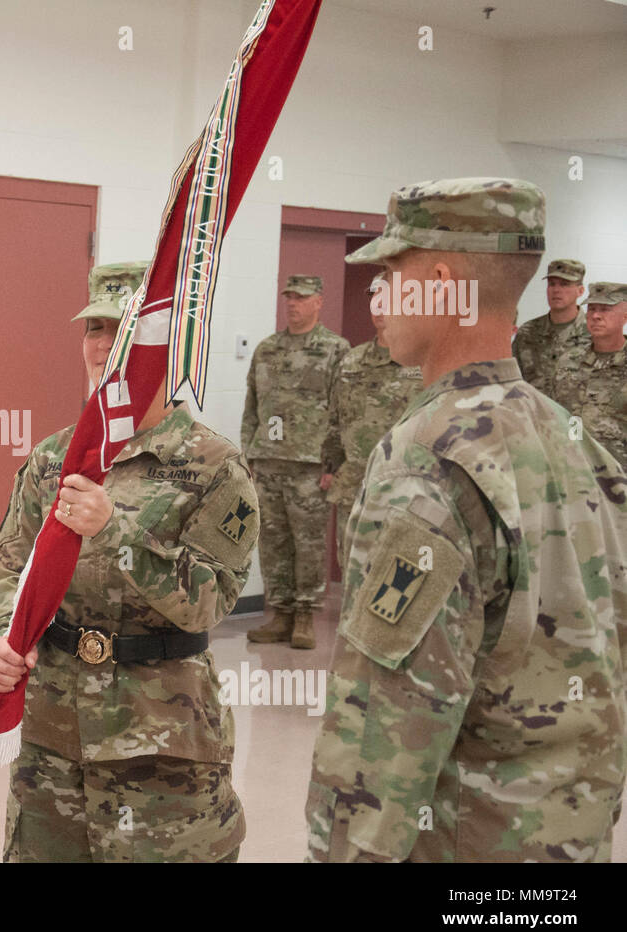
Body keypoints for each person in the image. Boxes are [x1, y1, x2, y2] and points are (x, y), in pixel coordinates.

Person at [306, 177, 627, 862]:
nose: (380, 295)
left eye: (392, 270)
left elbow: (386, 731)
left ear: (441, 281)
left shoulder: (426, 459)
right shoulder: (578, 442)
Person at [0, 261, 259, 863]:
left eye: (120, 330)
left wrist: (115, 531)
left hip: (161, 739)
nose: (101, 345)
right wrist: (3, 637)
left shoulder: (212, 466)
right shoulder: (55, 458)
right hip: (53, 731)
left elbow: (211, 599)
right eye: (92, 329)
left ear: (162, 347)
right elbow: (11, 570)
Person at [241, 275, 349, 649]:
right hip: (268, 460)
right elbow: (253, 406)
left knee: (308, 543)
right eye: (289, 297)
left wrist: (333, 464)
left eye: (301, 298)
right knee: (272, 541)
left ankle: (305, 615)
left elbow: (342, 410)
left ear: (318, 301)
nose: (293, 304)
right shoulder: (267, 349)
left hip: (310, 463)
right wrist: (248, 454)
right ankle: (281, 612)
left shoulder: (335, 349)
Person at [320, 273, 422, 567]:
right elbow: (335, 420)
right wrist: (330, 465)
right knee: (353, 567)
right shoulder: (352, 360)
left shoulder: (422, 358)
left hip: (407, 488)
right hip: (356, 485)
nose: (379, 305)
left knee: (399, 574)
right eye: (374, 298)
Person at [552, 282, 627, 469]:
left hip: (620, 477)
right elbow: (560, 416)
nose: (595, 316)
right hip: (575, 472)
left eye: (605, 309)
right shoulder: (569, 361)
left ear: (625, 316)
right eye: (591, 309)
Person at [512, 258, 588, 398]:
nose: (556, 290)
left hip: (577, 418)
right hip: (536, 416)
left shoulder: (594, 333)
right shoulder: (528, 332)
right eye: (552, 284)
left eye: (564, 284)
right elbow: (513, 381)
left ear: (580, 291)